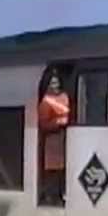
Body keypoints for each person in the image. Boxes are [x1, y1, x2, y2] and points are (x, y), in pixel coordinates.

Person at [38, 70, 70, 205]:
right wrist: (58, 123)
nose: (55, 85)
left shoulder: (65, 97)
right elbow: (43, 124)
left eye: (57, 82)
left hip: (65, 139)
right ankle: (51, 195)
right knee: (53, 171)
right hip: (52, 140)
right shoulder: (46, 101)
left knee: (63, 170)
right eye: (52, 82)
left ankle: (62, 195)